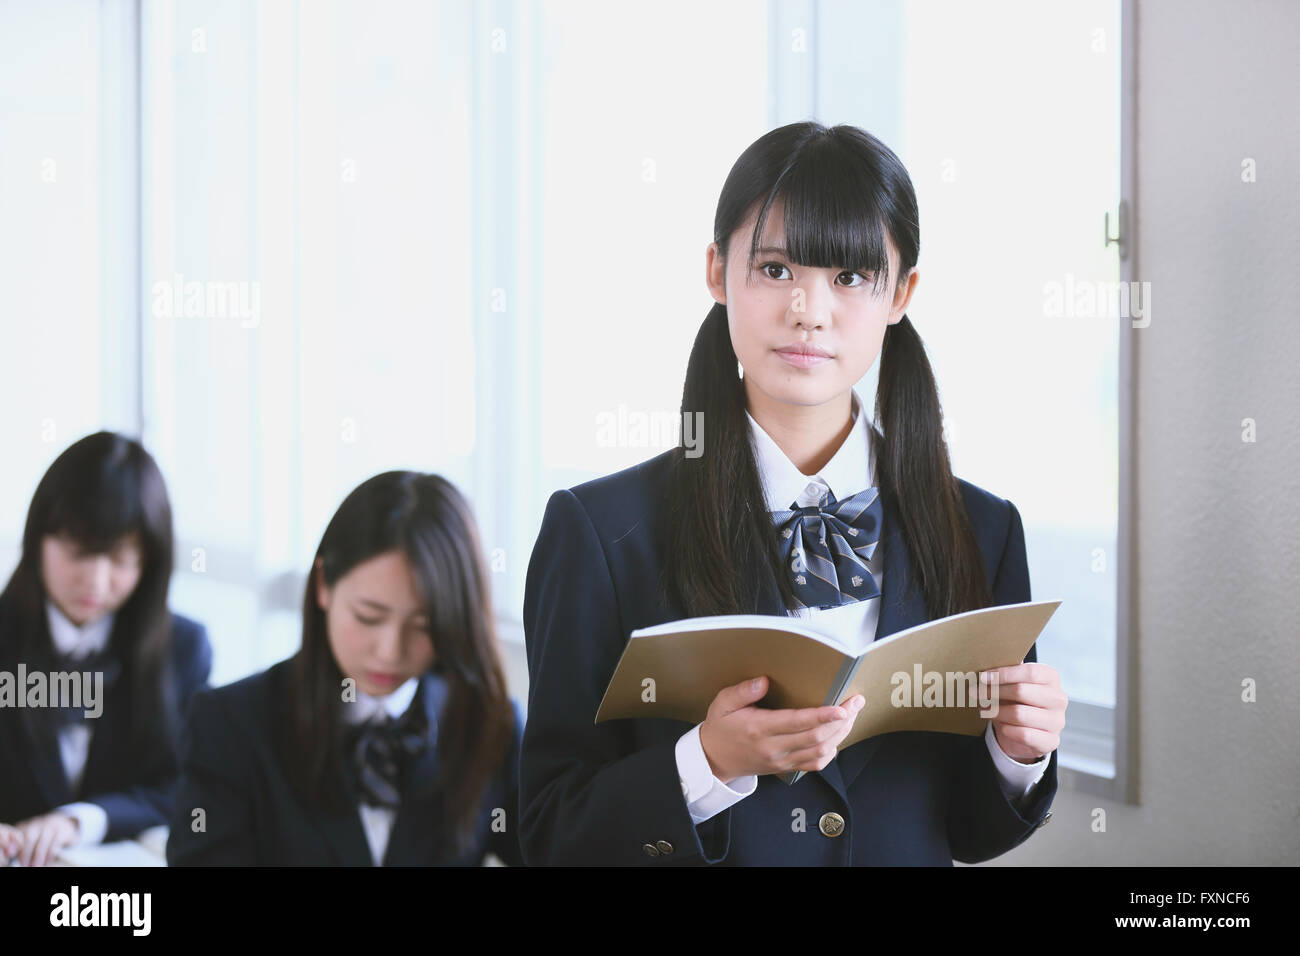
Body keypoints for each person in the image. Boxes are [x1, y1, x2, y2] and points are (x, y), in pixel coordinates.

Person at [519, 121, 1067, 865]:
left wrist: (1018, 753)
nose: (810, 310)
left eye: (850, 278)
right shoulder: (602, 532)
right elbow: (549, 831)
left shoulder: (983, 528)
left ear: (901, 293)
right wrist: (705, 765)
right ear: (717, 272)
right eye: (776, 270)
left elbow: (970, 835)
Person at [166, 471, 525, 866]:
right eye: (368, 616)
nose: (390, 652)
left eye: (424, 626)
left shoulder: (491, 726)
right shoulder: (231, 724)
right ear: (323, 585)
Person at [0, 431, 212, 866]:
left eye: (120, 558)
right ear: (38, 538)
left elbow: (190, 786)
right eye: (79, 551)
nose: (95, 582)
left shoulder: (184, 649)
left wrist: (81, 821)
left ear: (149, 561)